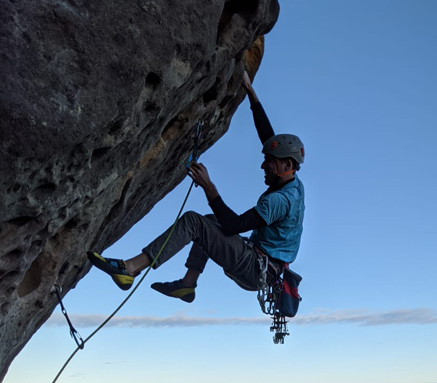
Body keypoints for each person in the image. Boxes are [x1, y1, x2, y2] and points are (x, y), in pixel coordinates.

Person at [87, 72, 305, 303]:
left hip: (255, 269)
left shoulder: (280, 200)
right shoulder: (293, 183)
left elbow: (233, 226)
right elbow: (268, 137)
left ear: (286, 164)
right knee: (210, 221)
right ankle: (187, 285)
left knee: (194, 222)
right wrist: (251, 92)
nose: (263, 165)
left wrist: (208, 186)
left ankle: (130, 268)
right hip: (263, 265)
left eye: (269, 162)